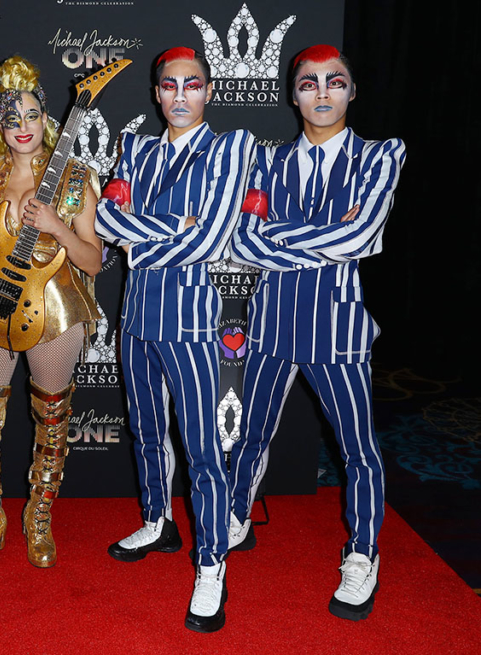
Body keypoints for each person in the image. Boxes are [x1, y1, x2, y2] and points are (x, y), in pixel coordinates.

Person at [227, 44, 406, 621]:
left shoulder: (381, 156)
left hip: (339, 330)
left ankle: (363, 552)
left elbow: (358, 242)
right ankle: (235, 516)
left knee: (358, 450)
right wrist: (325, 233)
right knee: (250, 436)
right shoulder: (264, 161)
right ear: (293, 92)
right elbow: (241, 244)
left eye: (335, 82)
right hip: (272, 324)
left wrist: (280, 239)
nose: (322, 93)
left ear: (352, 91)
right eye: (309, 83)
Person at [95, 47, 254, 633]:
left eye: (192, 84)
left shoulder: (231, 147)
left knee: (203, 451)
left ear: (207, 91)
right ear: (157, 93)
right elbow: (106, 225)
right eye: (169, 85)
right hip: (136, 318)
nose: (180, 95)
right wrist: (172, 228)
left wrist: (145, 237)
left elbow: (211, 239)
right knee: (144, 431)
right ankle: (158, 520)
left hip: (193, 326)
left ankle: (211, 562)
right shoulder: (134, 148)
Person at [0, 56, 102, 574]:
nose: (22, 127)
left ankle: (38, 518)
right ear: (0, 125)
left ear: (48, 118)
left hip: (57, 309)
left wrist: (58, 228)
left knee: (52, 418)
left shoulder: (73, 177)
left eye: (32, 115)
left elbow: (95, 260)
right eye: (11, 118)